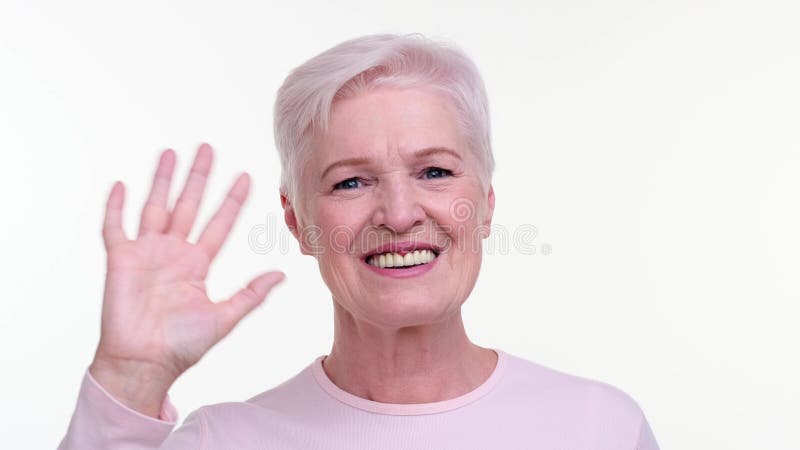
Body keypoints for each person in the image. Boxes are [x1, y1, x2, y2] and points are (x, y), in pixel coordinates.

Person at [58, 33, 660, 449]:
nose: (399, 215)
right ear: (298, 222)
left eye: (435, 172)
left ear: (486, 204)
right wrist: (129, 379)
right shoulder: (225, 440)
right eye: (350, 181)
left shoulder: (599, 428)